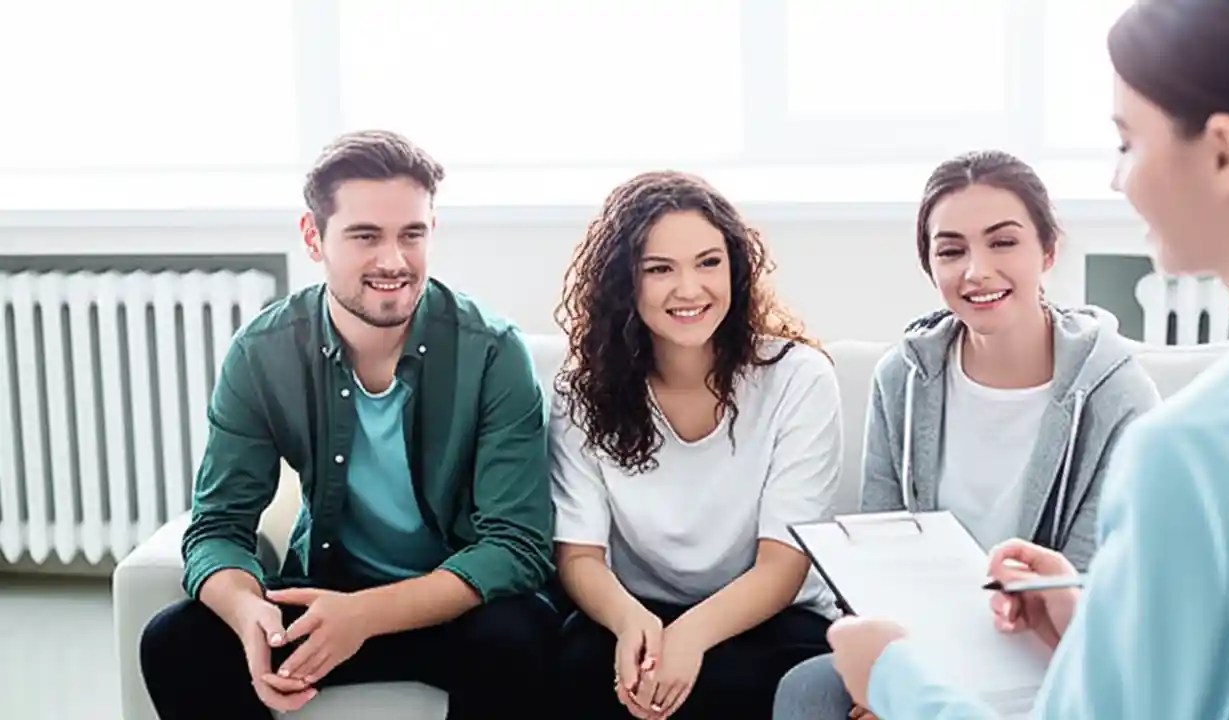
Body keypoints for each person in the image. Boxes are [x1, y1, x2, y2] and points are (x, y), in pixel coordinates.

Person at [826, 0, 1229, 717]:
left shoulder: (1191, 449)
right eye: (951, 249)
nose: (1116, 180)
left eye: (1128, 142)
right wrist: (1088, 613)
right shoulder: (903, 377)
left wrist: (894, 677)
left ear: (1223, 152)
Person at [138, 130, 558, 720]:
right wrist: (245, 610)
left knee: (524, 634)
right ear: (314, 237)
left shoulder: (492, 352)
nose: (393, 260)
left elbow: (517, 546)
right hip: (327, 598)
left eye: (411, 234)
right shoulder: (263, 353)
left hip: (452, 607)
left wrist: (365, 616)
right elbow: (218, 525)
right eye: (365, 236)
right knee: (176, 640)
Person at [773, 150, 1160, 719]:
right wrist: (884, 678)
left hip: (1052, 651)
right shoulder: (902, 378)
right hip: (924, 644)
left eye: (1003, 242)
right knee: (809, 690)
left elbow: (1092, 584)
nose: (975, 270)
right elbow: (875, 554)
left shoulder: (1117, 393)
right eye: (950, 250)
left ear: (1048, 251)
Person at [550, 170, 844, 719]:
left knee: (728, 687)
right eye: (660, 269)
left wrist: (689, 637)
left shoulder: (798, 379)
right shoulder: (580, 392)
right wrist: (631, 624)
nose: (689, 289)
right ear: (624, 284)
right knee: (574, 669)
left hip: (768, 618)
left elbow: (782, 567)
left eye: (709, 263)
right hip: (638, 614)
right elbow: (579, 554)